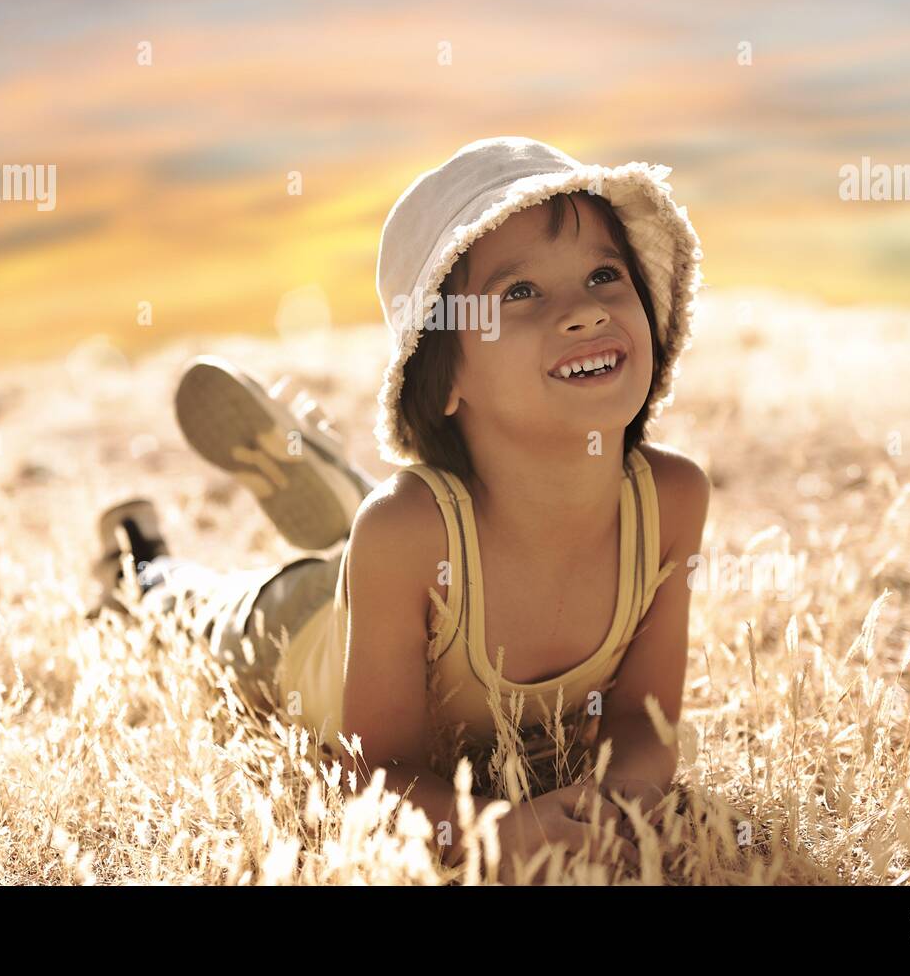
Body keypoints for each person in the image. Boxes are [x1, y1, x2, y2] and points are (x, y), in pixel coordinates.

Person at [90, 136, 710, 880]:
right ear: (445, 379)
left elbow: (644, 717)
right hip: (308, 627)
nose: (583, 312)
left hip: (404, 553)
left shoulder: (670, 501)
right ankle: (144, 561)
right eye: (520, 293)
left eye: (605, 274)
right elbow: (375, 775)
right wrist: (497, 830)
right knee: (204, 611)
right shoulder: (407, 535)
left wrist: (618, 803)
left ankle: (338, 489)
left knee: (394, 528)